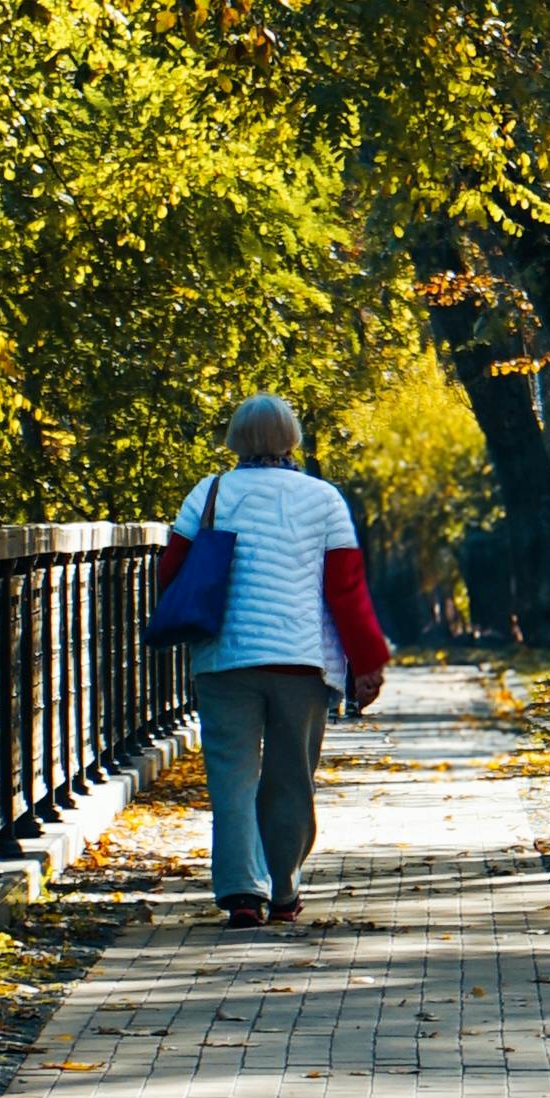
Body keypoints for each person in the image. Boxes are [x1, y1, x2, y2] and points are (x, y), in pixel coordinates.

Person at [160, 393, 388, 926]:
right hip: (300, 661)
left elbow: (170, 572)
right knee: (291, 777)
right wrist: (367, 661)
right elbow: (346, 588)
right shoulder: (324, 499)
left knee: (232, 779)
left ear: (235, 438)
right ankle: (284, 891)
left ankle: (243, 892)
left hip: (224, 659)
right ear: (292, 439)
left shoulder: (209, 493)